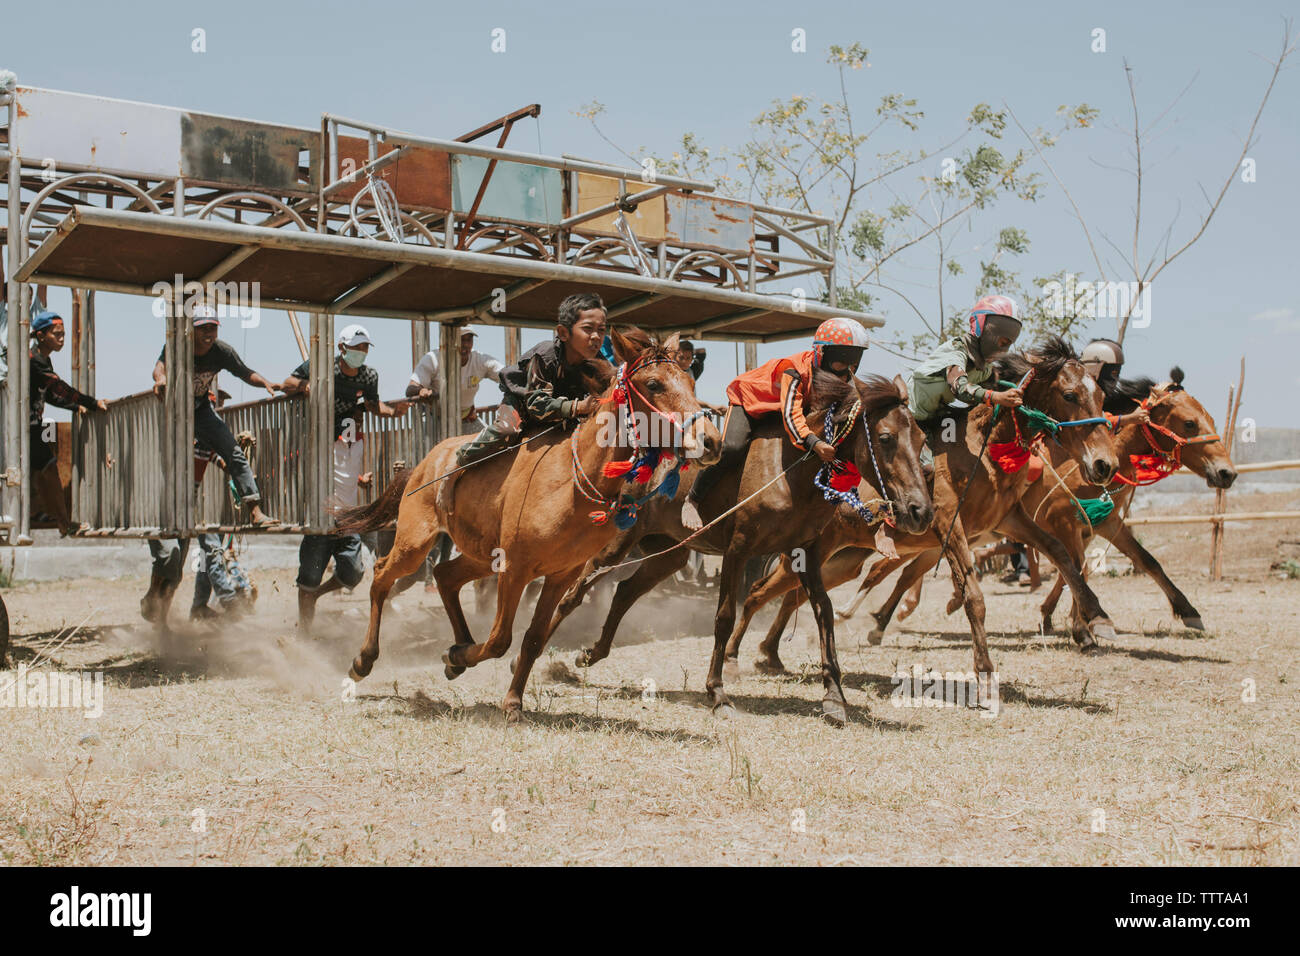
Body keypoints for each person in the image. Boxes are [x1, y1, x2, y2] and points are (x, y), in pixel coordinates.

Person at [679, 316, 873, 534]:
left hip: (776, 408)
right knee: (733, 447)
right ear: (822, 353)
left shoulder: (845, 376)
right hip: (749, 401)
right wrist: (815, 443)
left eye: (853, 362)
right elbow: (792, 416)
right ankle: (692, 499)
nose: (847, 368)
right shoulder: (795, 369)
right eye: (841, 361)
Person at [281, 324, 409, 626]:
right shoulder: (321, 367)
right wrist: (305, 386)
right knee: (310, 574)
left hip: (347, 513)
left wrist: (395, 411)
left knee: (353, 572)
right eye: (357, 347)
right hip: (323, 510)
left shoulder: (368, 377)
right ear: (342, 348)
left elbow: (374, 405)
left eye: (365, 348)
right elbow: (287, 382)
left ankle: (318, 595)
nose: (361, 353)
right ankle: (305, 630)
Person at [152, 305, 280, 528]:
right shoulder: (178, 346)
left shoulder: (222, 351)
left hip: (200, 410)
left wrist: (265, 383)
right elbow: (159, 367)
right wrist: (160, 380)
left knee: (235, 453)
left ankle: (255, 512)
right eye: (203, 329)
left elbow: (245, 372)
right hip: (174, 411)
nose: (209, 334)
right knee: (175, 464)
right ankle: (173, 515)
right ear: (191, 330)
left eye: (213, 328)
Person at [454, 292, 608, 468]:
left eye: (601, 330)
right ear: (564, 333)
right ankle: (460, 459)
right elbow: (536, 405)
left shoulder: (599, 363)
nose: (596, 336)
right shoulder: (546, 356)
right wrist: (578, 406)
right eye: (588, 328)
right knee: (506, 431)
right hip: (523, 404)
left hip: (562, 412)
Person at [907, 293, 1026, 460]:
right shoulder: (955, 352)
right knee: (927, 469)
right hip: (908, 418)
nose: (1003, 350)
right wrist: (997, 396)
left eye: (1008, 344)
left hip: (938, 421)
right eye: (1001, 341)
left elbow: (998, 404)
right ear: (980, 326)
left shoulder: (986, 368)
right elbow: (960, 387)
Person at [28, 309, 108, 535]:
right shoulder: (33, 361)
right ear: (41, 336)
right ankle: (63, 522)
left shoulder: (44, 360)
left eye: (63, 334)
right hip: (21, 429)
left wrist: (76, 407)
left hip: (34, 428)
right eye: (57, 334)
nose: (62, 338)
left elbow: (50, 395)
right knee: (47, 469)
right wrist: (92, 403)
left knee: (43, 470)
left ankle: (56, 520)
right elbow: (60, 388)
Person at [407, 327, 504, 436]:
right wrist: (421, 391)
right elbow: (410, 389)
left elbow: (505, 374)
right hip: (436, 422)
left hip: (467, 419)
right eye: (461, 339)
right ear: (449, 340)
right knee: (434, 452)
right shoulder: (433, 359)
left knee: (491, 445)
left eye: (469, 340)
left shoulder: (480, 360)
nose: (465, 344)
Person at [1080, 338, 1150, 431]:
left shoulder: (1102, 398)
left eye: (1117, 372)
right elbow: (1089, 420)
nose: (1115, 379)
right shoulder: (1078, 393)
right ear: (1095, 367)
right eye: (1112, 372)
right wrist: (1129, 419)